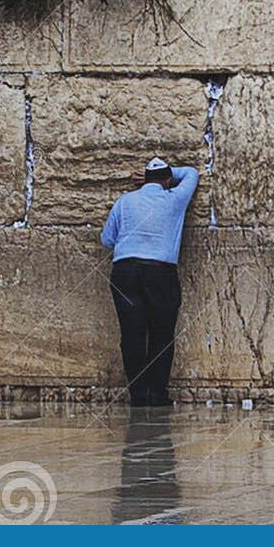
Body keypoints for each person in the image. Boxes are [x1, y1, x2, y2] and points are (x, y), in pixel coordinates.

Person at [101, 157, 200, 408]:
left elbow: (107, 239)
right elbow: (191, 173)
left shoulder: (124, 201)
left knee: (132, 335)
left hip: (125, 272)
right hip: (160, 273)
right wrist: (167, 175)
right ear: (167, 180)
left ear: (145, 179)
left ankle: (138, 395)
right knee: (161, 334)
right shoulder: (175, 199)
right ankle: (157, 394)